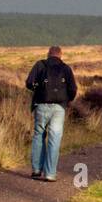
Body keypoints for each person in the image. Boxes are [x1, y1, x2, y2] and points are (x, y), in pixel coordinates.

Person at [25, 45, 77, 181]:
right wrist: (67, 101)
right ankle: (50, 174)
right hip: (59, 108)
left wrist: (37, 89)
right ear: (61, 55)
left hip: (41, 105)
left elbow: (29, 83)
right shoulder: (66, 68)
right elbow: (73, 89)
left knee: (38, 136)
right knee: (54, 140)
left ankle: (36, 170)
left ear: (48, 54)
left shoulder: (40, 65)